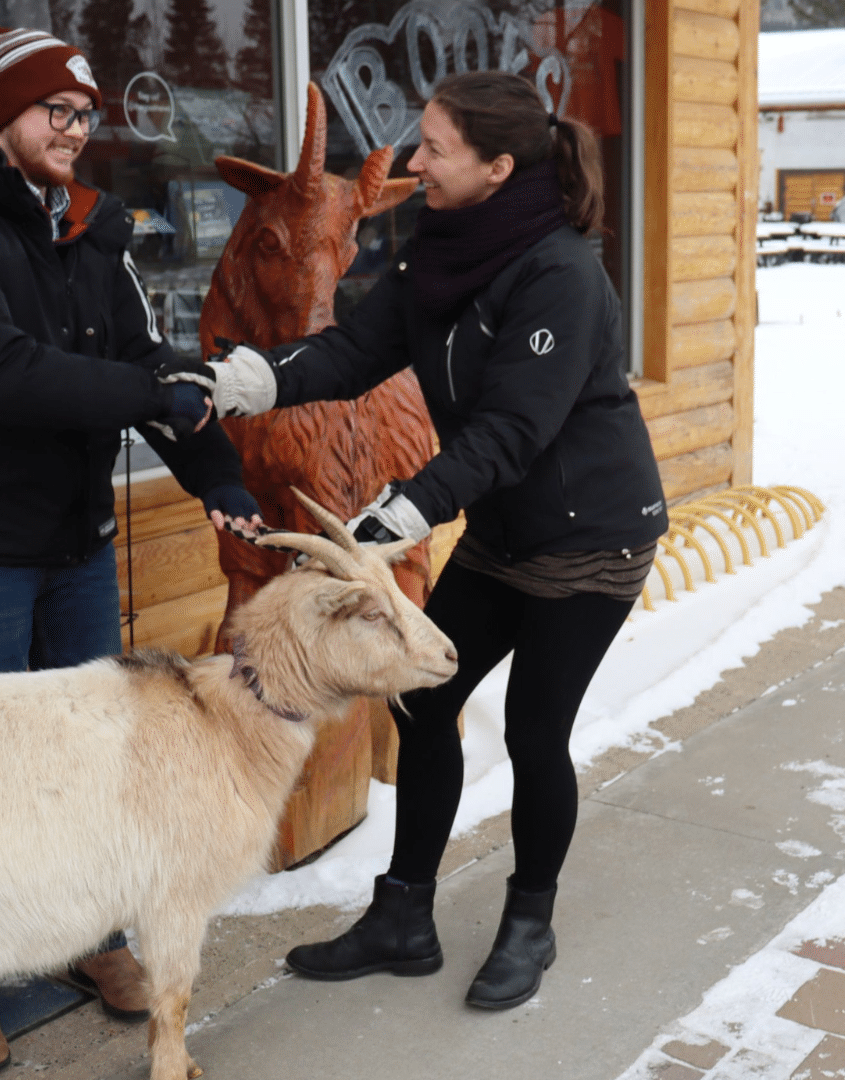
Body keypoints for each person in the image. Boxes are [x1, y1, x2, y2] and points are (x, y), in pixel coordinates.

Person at [197, 71, 667, 1010]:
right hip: (504, 529)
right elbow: (355, 350)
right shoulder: (442, 253)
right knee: (422, 701)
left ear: (497, 167)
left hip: (591, 544)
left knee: (536, 732)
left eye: (434, 148)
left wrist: (409, 508)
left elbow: (512, 431)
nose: (415, 162)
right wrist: (259, 377)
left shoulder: (561, 274)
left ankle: (530, 922)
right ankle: (404, 915)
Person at [0, 20, 261, 1075]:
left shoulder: (94, 233)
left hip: (77, 543)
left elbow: (148, 365)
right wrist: (153, 390)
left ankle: (86, 936)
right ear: (2, 113)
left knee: (91, 762)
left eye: (87, 114)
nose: (78, 128)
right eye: (60, 109)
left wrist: (217, 475)